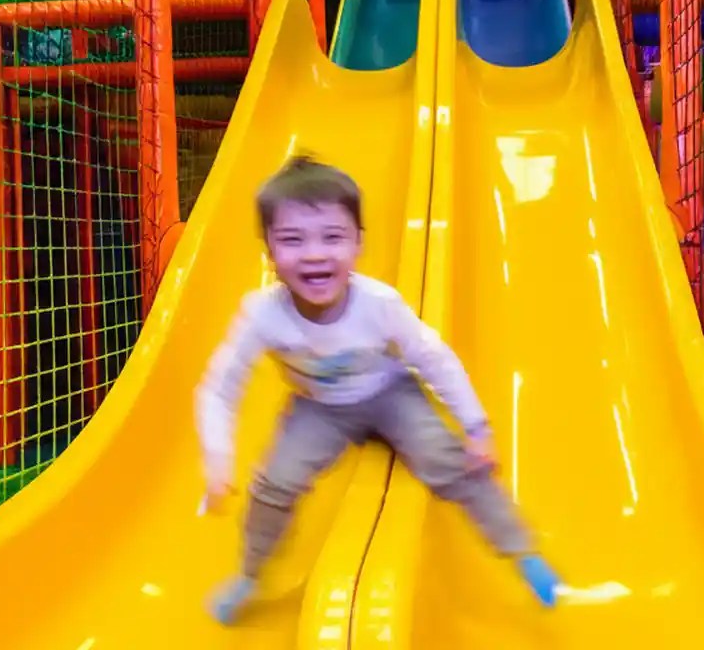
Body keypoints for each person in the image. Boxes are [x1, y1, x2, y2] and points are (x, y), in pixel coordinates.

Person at [197, 155, 563, 625]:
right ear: (268, 249)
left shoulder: (379, 304)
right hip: (318, 409)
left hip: (390, 394)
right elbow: (220, 388)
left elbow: (434, 358)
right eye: (292, 240)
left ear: (358, 243)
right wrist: (218, 458)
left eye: (332, 237)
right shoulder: (261, 314)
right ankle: (250, 574)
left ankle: (521, 553)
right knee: (274, 485)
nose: (313, 254)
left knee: (452, 464)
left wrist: (476, 426)